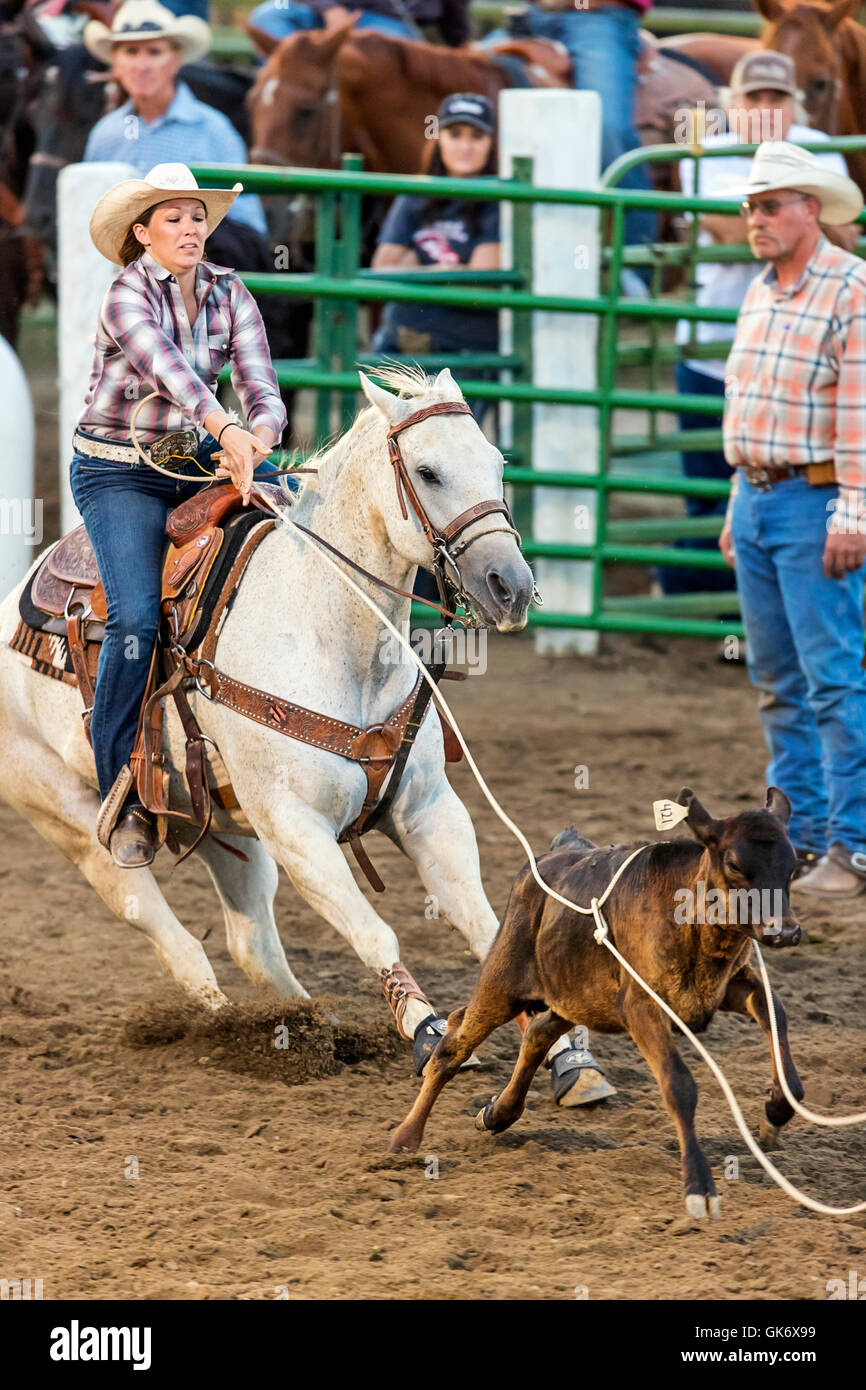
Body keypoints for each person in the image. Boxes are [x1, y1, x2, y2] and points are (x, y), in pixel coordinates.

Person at [73, 162, 287, 869]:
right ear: (143, 234)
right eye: (173, 218)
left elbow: (262, 380)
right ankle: (120, 792)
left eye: (197, 217)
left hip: (194, 459)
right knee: (134, 616)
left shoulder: (230, 290)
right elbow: (176, 375)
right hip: (118, 471)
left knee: (298, 537)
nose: (190, 229)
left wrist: (259, 435)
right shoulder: (126, 296)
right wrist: (229, 433)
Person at [721, 141, 866, 898]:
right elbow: (746, 406)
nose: (756, 217)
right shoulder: (761, 291)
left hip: (815, 502)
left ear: (811, 208)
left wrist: (855, 511)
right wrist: (735, 504)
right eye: (751, 205)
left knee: (834, 679)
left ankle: (855, 843)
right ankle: (803, 838)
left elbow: (861, 414)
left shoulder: (850, 288)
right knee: (781, 679)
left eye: (771, 204)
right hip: (760, 497)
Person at [663, 51, 855, 597]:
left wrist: (748, 222)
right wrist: (791, 225)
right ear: (735, 103)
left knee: (778, 487)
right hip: (714, 353)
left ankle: (733, 613)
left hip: (789, 356)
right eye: (755, 97)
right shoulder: (714, 150)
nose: (766, 108)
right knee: (709, 491)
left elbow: (832, 231)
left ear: (793, 102)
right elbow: (727, 230)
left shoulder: (819, 148)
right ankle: (706, 609)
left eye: (776, 97)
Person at [81, 0, 303, 435]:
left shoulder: (213, 129)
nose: (142, 64)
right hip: (133, 287)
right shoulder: (106, 134)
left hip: (196, 283)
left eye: (153, 52)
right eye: (130, 52)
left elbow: (245, 227)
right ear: (116, 63)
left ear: (176, 59)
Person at [370, 91, 500, 422]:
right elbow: (382, 271)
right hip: (402, 343)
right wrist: (447, 271)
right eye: (455, 134)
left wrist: (415, 264)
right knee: (383, 443)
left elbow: (480, 286)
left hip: (464, 350)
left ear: (491, 142)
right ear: (439, 138)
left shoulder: (499, 199)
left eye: (477, 135)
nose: (465, 146)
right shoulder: (416, 195)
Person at [502, 0, 655, 256]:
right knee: (465, 86)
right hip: (533, 17)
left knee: (607, 128)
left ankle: (634, 264)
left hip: (599, 16)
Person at [246, 0, 469, 48]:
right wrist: (329, 8)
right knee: (267, 16)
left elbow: (454, 11)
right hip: (314, 9)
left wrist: (459, 41)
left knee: (388, 47)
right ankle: (284, 87)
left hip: (388, 21)